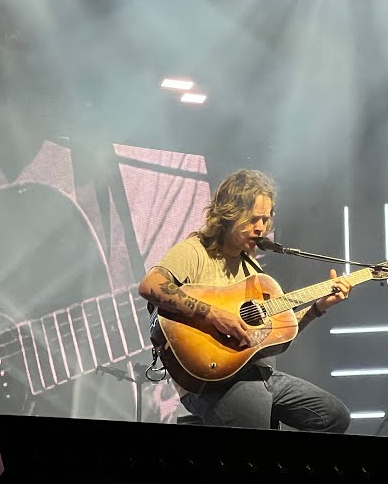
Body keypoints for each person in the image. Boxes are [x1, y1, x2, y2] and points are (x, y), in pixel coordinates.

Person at [137, 169, 352, 432]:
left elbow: (277, 333)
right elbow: (150, 285)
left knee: (333, 416)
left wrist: (318, 308)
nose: (261, 227)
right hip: (213, 381)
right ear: (229, 214)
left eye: (265, 219)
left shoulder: (253, 272)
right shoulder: (195, 251)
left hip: (259, 374)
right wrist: (214, 315)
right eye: (252, 219)